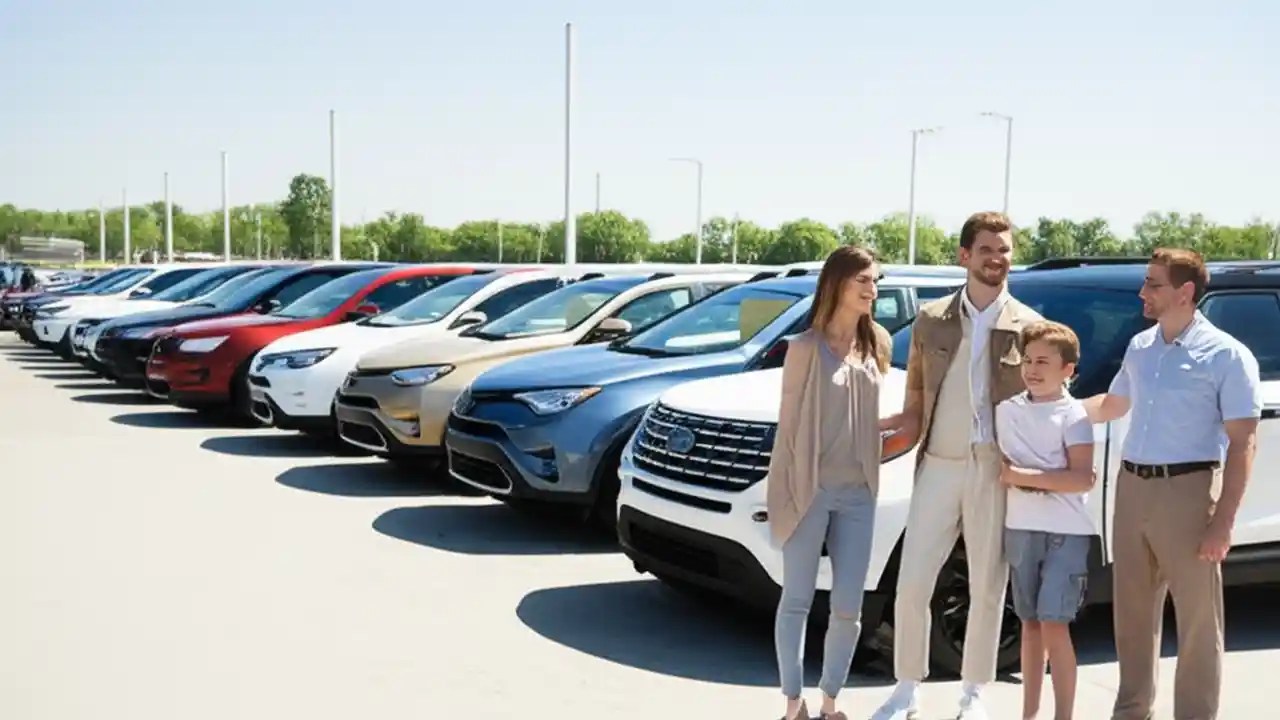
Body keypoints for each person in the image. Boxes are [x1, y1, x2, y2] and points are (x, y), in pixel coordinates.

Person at [872, 211, 1042, 720]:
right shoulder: (931, 319)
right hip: (939, 463)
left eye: (1005, 249)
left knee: (988, 584)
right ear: (964, 255)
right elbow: (915, 400)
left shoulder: (1030, 325)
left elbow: (1047, 404)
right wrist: (863, 436)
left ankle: (974, 693)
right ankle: (906, 688)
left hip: (995, 467)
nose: (998, 258)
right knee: (913, 581)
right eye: (987, 249)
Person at [1081, 248, 1261, 720]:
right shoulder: (1141, 347)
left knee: (1200, 622)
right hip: (1132, 487)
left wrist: (1222, 522)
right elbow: (1113, 405)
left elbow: (1243, 444)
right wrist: (1048, 407)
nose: (1143, 292)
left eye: (1153, 284)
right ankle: (1132, 712)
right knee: (1132, 615)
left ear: (1185, 293)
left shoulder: (1227, 356)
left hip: (1189, 491)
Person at [767, 245, 892, 720]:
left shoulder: (877, 341)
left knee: (848, 607)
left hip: (859, 493)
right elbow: (788, 430)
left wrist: (909, 422)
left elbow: (867, 419)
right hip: (811, 490)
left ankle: (830, 703)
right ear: (838, 282)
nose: (872, 290)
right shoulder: (803, 349)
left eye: (875, 281)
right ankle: (793, 703)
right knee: (796, 598)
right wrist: (785, 494)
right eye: (864, 280)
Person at [995, 320, 1096, 720]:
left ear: (1067, 370)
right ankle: (1029, 713)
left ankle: (1064, 715)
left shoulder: (1074, 416)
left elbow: (1082, 477)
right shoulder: (1006, 411)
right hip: (1020, 526)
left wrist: (1023, 477)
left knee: (1055, 624)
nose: (1033, 369)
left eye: (1044, 362)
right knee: (1031, 623)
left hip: (1066, 532)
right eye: (1028, 361)